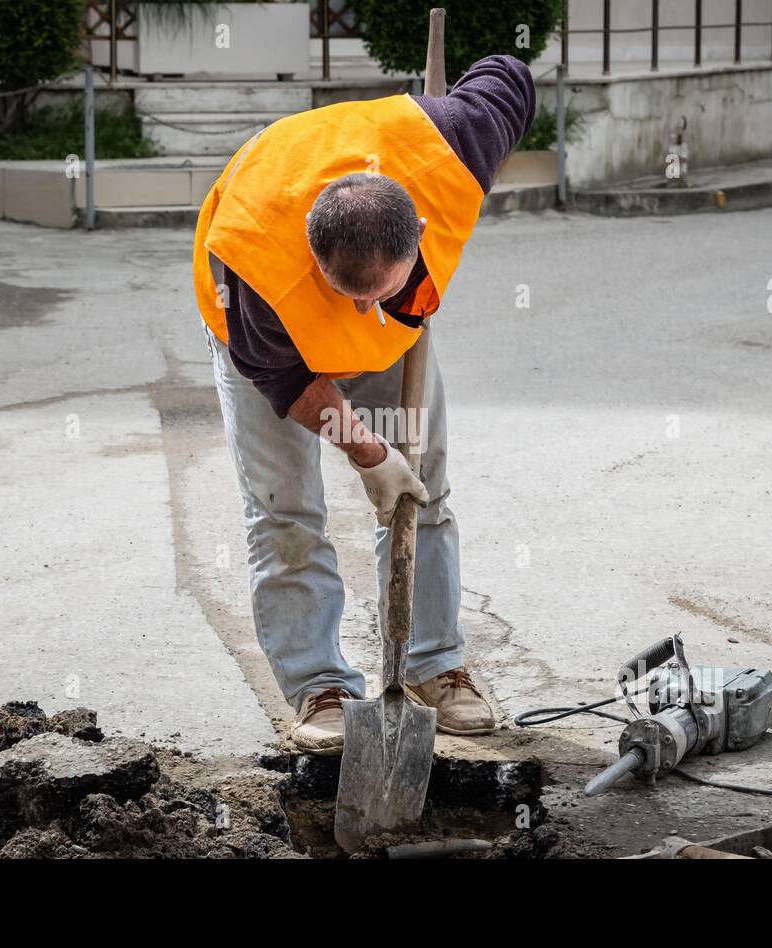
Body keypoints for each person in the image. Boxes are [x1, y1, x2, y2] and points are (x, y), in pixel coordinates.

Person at [192, 54, 535, 755]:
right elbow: (286, 381)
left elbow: (509, 73)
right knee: (284, 507)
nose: (360, 311)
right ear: (313, 256)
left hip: (393, 343)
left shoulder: (458, 145)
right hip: (268, 347)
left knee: (425, 490)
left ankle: (432, 664)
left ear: (415, 240)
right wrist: (369, 453)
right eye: (347, 296)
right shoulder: (258, 260)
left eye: (378, 293)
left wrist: (395, 458)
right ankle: (320, 683)